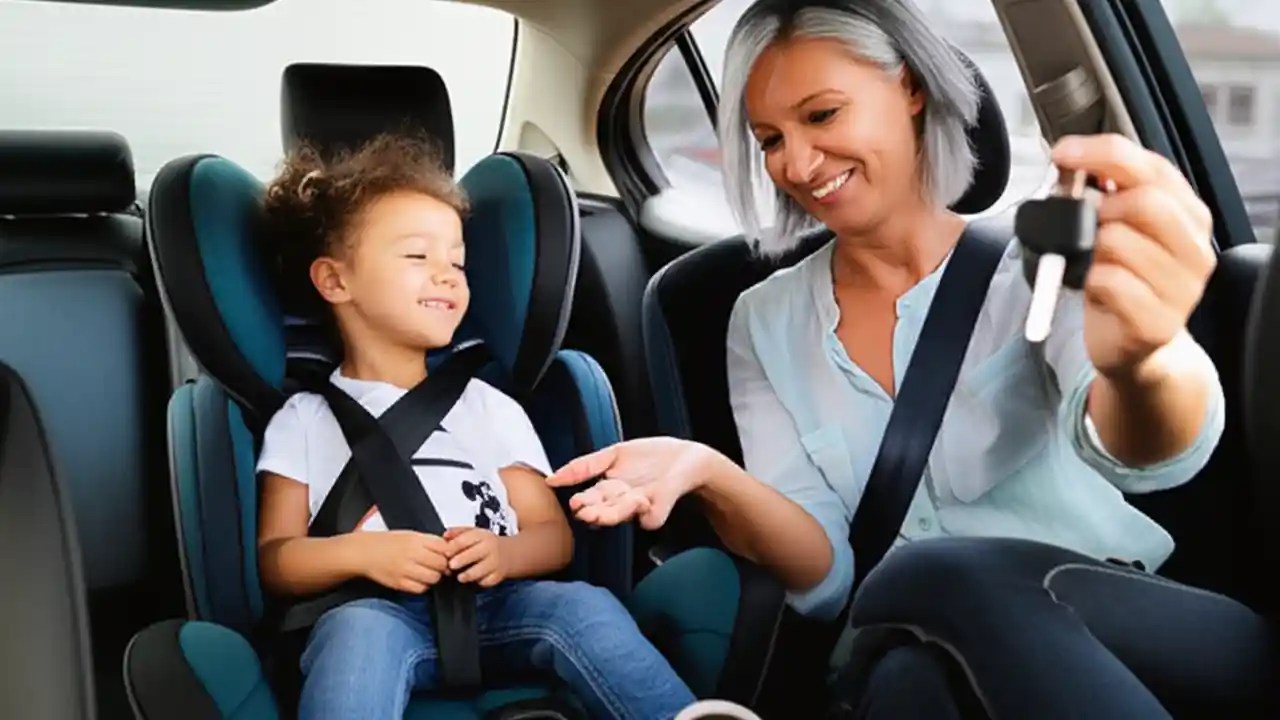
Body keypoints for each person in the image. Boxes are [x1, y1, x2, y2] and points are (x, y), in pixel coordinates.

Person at [549, 0, 1278, 717]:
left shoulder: (1036, 266)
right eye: (769, 139)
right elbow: (825, 578)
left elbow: (1148, 455)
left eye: (822, 115)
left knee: (931, 588)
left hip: (1122, 630)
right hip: (910, 652)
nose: (795, 164)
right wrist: (709, 472)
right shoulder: (761, 319)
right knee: (909, 671)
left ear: (910, 87)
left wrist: (1143, 362)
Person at [253, 133, 697, 720]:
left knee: (586, 609)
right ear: (336, 281)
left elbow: (552, 535)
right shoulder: (306, 418)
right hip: (374, 609)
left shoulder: (489, 406)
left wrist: (505, 555)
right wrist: (362, 553)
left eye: (457, 263)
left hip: (503, 603)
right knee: (355, 636)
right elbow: (277, 558)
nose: (447, 276)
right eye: (417, 257)